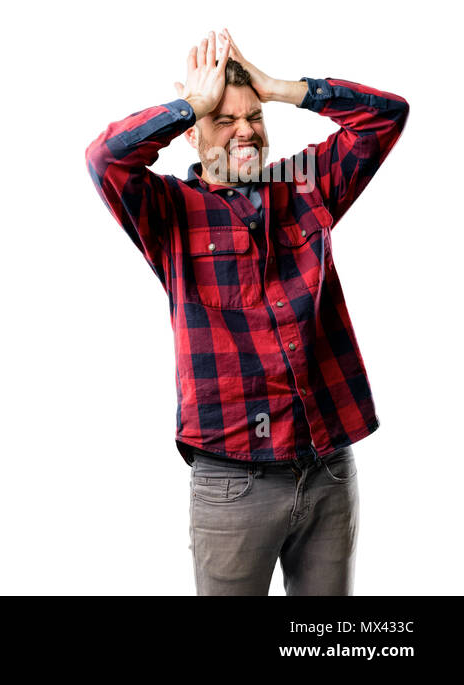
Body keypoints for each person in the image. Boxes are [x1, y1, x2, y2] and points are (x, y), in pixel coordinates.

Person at [85, 29, 408, 595]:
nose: (244, 130)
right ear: (192, 134)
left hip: (329, 466)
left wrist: (282, 88)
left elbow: (386, 118)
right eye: (222, 119)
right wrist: (190, 102)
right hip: (234, 481)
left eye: (253, 116)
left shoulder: (305, 186)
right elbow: (106, 159)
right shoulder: (169, 212)